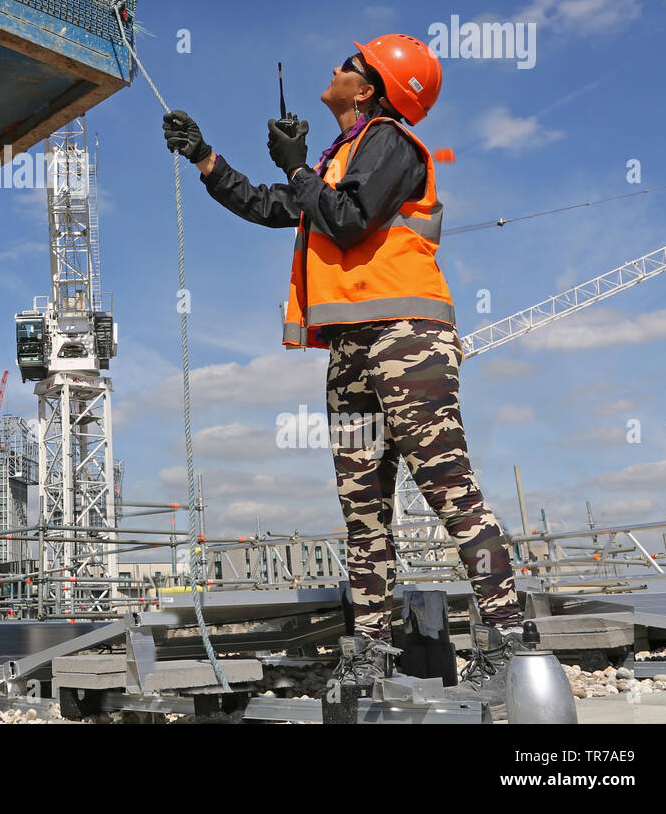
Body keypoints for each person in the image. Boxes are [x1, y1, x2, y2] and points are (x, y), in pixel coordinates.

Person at [163, 34, 527, 700]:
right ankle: (371, 656)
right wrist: (207, 157)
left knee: (450, 490)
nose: (335, 67)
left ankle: (509, 647)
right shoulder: (340, 158)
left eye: (348, 64)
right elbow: (275, 207)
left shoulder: (391, 141)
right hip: (352, 352)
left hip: (406, 341)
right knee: (364, 513)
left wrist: (299, 166)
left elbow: (350, 220)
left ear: (368, 89)